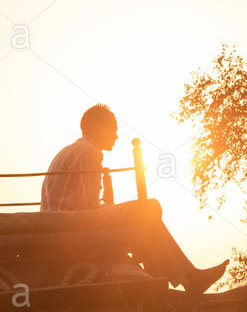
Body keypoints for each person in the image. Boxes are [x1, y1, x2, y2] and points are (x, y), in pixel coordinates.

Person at [41, 104, 228, 295]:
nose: (116, 136)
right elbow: (88, 210)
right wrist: (116, 210)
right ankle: (185, 277)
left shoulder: (68, 151)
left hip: (62, 224)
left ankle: (186, 276)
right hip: (73, 228)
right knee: (148, 208)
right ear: (99, 128)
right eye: (113, 131)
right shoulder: (90, 152)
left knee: (144, 213)